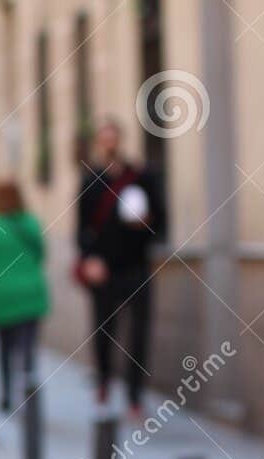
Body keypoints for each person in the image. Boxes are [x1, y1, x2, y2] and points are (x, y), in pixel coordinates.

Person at [75, 117, 166, 420]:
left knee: (139, 333)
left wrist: (146, 223)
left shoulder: (141, 176)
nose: (109, 143)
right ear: (100, 143)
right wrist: (89, 259)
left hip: (136, 267)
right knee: (104, 330)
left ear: (120, 140)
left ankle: (134, 396)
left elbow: (160, 221)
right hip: (103, 269)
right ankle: (103, 381)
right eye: (104, 138)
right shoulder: (90, 181)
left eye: (113, 137)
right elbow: (81, 228)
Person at [0, 181, 49, 411]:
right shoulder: (31, 224)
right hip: (31, 295)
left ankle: (7, 395)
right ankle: (28, 394)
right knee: (27, 348)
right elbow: (41, 255)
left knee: (4, 349)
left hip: (2, 297)